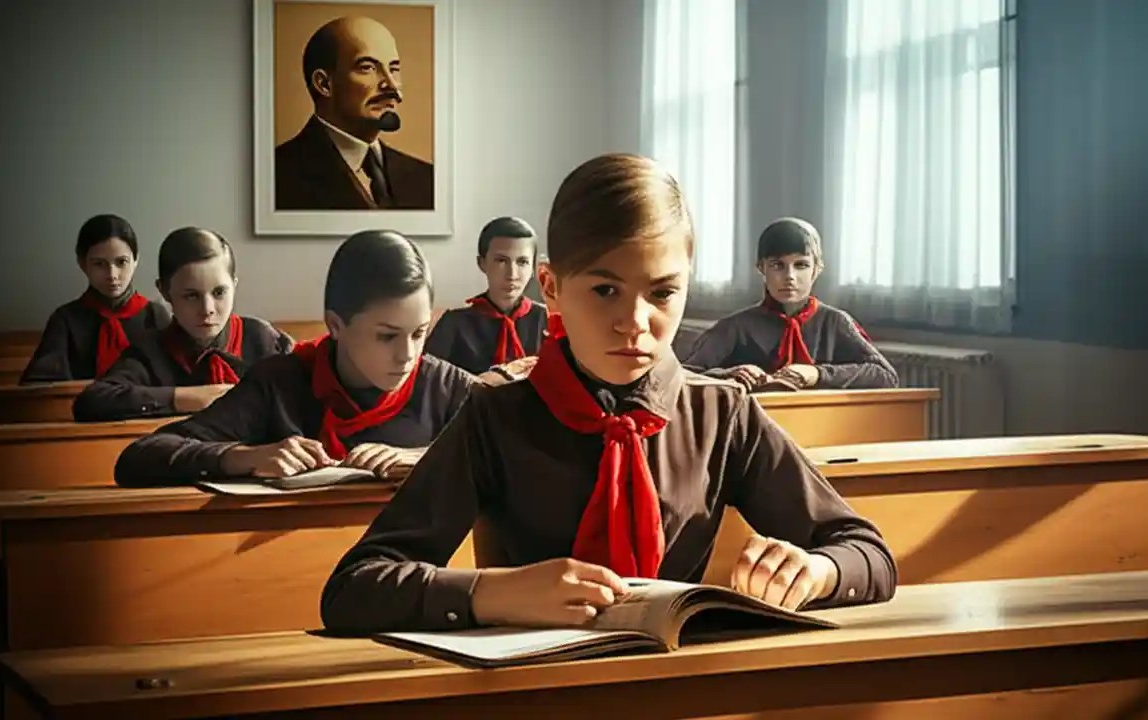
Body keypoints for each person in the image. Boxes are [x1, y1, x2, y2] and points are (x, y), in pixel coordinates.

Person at [320, 154, 896, 633]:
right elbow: (353, 587)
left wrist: (815, 570)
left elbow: (868, 554)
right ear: (552, 286)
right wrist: (491, 593)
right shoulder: (496, 414)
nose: (635, 323)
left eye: (663, 293)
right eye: (605, 290)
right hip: (534, 695)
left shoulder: (721, 413)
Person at [113, 230, 475, 487]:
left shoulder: (444, 385)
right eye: (387, 335)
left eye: (419, 333)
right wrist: (245, 457)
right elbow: (140, 457)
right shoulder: (279, 383)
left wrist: (425, 456)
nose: (408, 355)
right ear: (335, 324)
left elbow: (526, 444)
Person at [72, 228, 293, 421]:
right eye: (191, 296)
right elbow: (91, 402)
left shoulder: (263, 338)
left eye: (219, 292)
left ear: (234, 286)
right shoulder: (150, 353)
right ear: (165, 291)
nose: (207, 308)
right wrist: (183, 398)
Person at [683, 218, 898, 391]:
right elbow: (683, 374)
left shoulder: (835, 323)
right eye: (777, 265)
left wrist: (817, 374)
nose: (790, 276)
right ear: (761, 268)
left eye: (801, 265)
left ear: (817, 269)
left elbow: (885, 375)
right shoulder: (736, 327)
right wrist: (727, 375)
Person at [275, 16, 434, 211]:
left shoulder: (427, 178)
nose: (391, 85)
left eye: (393, 69)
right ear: (324, 84)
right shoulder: (277, 174)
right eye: (367, 68)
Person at [20, 214, 169, 383]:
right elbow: (43, 386)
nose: (112, 275)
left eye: (122, 262)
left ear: (135, 261)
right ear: (82, 263)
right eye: (99, 264)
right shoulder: (66, 320)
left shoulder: (155, 315)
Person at [425, 216, 548, 375]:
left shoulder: (548, 319)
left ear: (533, 268)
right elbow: (428, 381)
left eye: (522, 262)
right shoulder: (453, 324)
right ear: (482, 263)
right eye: (501, 261)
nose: (512, 274)